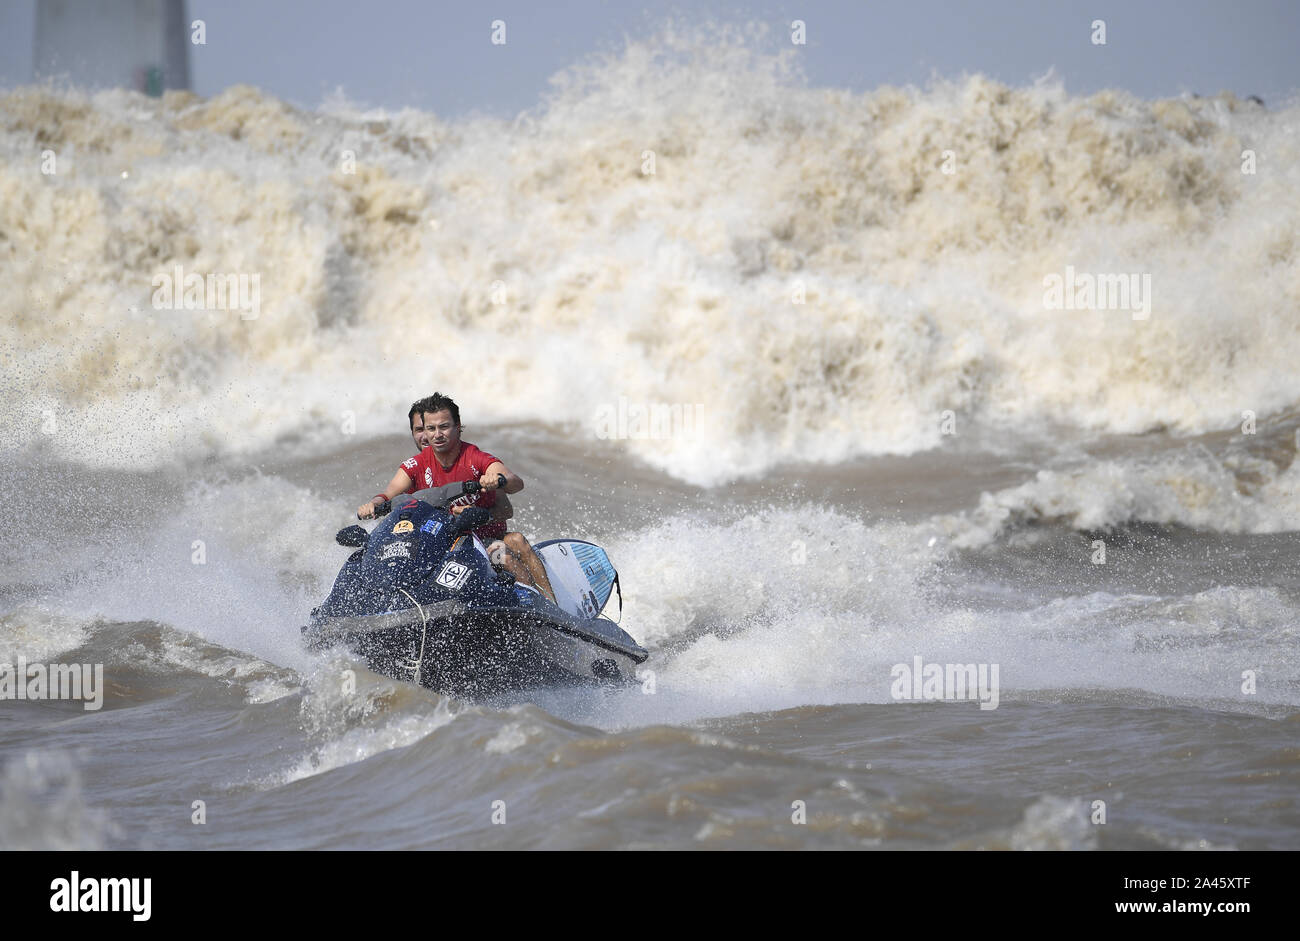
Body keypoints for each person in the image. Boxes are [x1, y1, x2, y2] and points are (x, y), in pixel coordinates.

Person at [358, 393, 557, 604]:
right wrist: (373, 504)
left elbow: (515, 482)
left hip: (484, 542)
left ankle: (541, 605)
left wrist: (498, 480)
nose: (437, 435)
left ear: (458, 426)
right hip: (441, 546)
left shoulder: (475, 458)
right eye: (430, 429)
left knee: (506, 550)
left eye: (444, 427)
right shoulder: (415, 464)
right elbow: (389, 494)